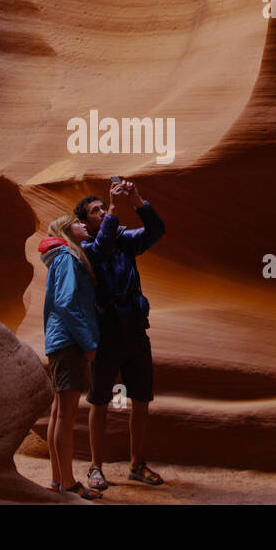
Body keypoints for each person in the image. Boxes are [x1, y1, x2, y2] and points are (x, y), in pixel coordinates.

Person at [76, 179, 166, 489]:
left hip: (135, 330)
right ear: (85, 222)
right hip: (106, 332)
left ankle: (136, 465)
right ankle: (95, 467)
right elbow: (100, 251)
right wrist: (114, 208)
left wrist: (139, 200)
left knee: (141, 398)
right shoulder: (87, 246)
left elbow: (156, 231)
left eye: (103, 208)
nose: (102, 212)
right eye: (95, 210)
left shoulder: (124, 239)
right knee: (100, 400)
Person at [39, 214, 104, 500]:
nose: (85, 225)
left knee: (58, 412)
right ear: (67, 230)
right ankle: (68, 483)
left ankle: (57, 481)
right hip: (70, 343)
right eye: (79, 222)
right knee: (65, 416)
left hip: (59, 341)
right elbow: (66, 302)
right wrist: (88, 341)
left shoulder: (60, 258)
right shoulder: (67, 257)